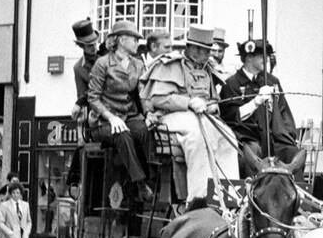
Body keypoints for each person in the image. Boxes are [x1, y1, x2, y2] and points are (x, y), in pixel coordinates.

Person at [141, 24, 240, 209]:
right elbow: (159, 99)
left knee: (228, 138)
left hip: (202, 116)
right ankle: (198, 199)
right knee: (198, 137)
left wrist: (212, 107)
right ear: (193, 49)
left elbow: (213, 99)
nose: (208, 55)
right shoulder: (170, 65)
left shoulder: (206, 69)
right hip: (172, 117)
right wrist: (188, 102)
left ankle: (228, 198)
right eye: (205, 51)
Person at [88, 19, 155, 206]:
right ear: (122, 40)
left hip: (129, 114)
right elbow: (93, 98)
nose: (137, 43)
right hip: (104, 120)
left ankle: (152, 177)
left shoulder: (138, 64)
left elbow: (143, 94)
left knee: (144, 131)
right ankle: (140, 184)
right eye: (134, 39)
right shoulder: (102, 64)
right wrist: (110, 117)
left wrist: (149, 114)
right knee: (122, 135)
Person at [218, 38, 300, 170]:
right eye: (262, 55)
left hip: (273, 138)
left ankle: (291, 190)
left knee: (291, 152)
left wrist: (290, 136)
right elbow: (232, 117)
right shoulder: (231, 84)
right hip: (248, 139)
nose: (267, 58)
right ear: (249, 57)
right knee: (252, 153)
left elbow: (284, 112)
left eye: (268, 55)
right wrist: (256, 101)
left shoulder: (272, 81)